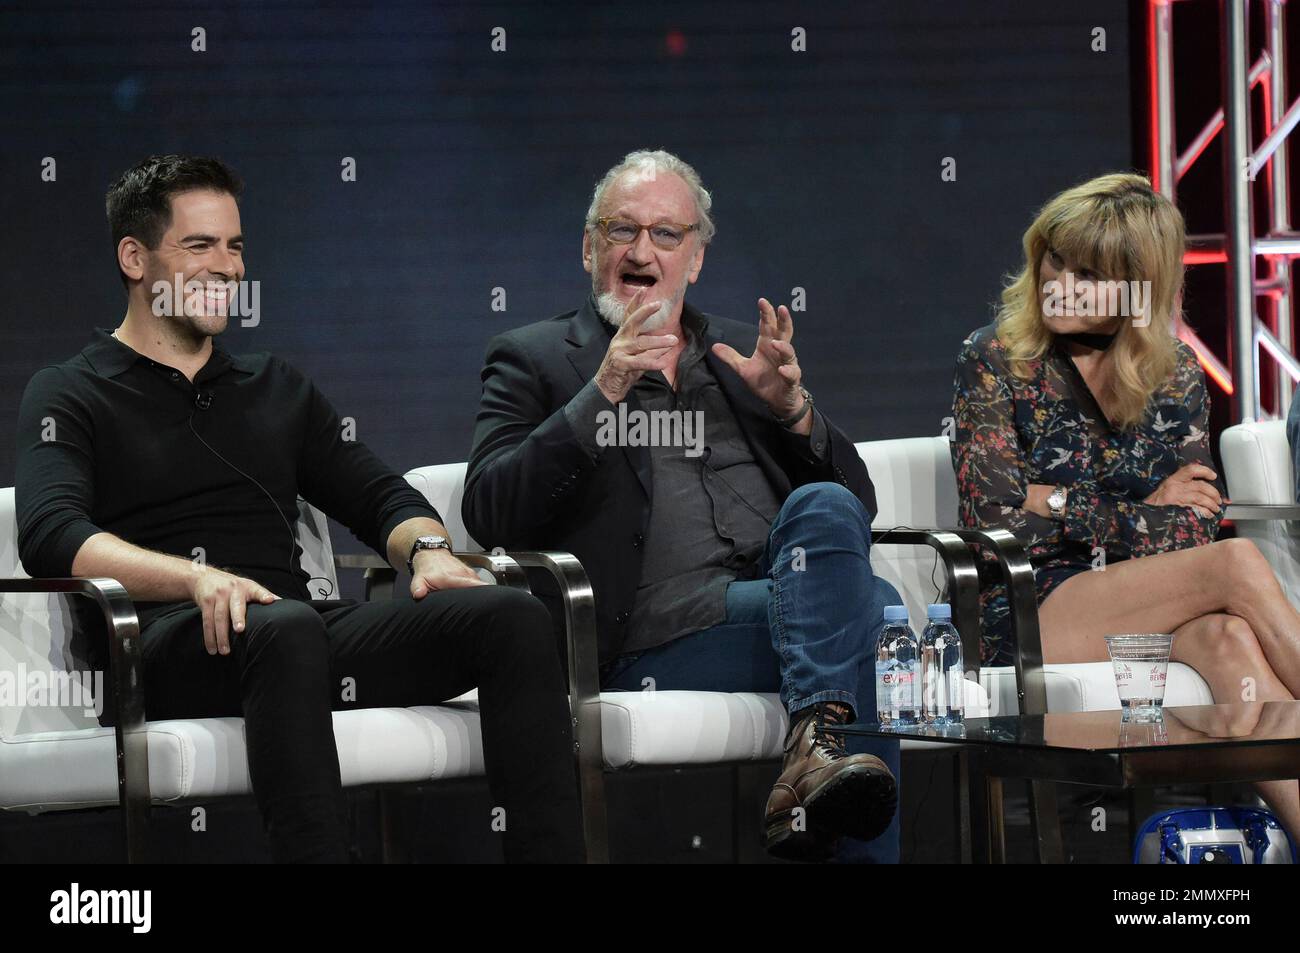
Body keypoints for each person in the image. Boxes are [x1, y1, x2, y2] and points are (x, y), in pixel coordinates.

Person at [15, 154, 584, 863]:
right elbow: (50, 532)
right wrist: (195, 579)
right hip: (160, 646)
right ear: (134, 257)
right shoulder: (70, 391)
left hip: (292, 636)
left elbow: (379, 494)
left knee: (511, 615)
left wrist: (428, 551)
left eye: (235, 246)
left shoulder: (273, 385)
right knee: (284, 627)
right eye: (200, 245)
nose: (227, 267)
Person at [463, 149, 901, 863]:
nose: (642, 252)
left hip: (776, 594)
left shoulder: (734, 354)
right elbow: (489, 508)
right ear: (588, 247)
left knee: (828, 513)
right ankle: (815, 775)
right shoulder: (536, 356)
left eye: (667, 235)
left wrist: (795, 412)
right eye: (621, 230)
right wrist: (599, 392)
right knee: (875, 617)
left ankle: (814, 751)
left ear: (694, 258)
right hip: (648, 632)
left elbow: (857, 510)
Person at [952, 171, 1300, 840]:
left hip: (1146, 611)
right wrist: (1142, 512)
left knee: (1229, 639)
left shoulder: (1175, 376)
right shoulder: (994, 359)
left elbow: (1195, 517)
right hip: (1025, 609)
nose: (1062, 281)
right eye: (1057, 257)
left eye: (1090, 273)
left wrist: (1055, 500)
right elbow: (994, 519)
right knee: (1234, 565)